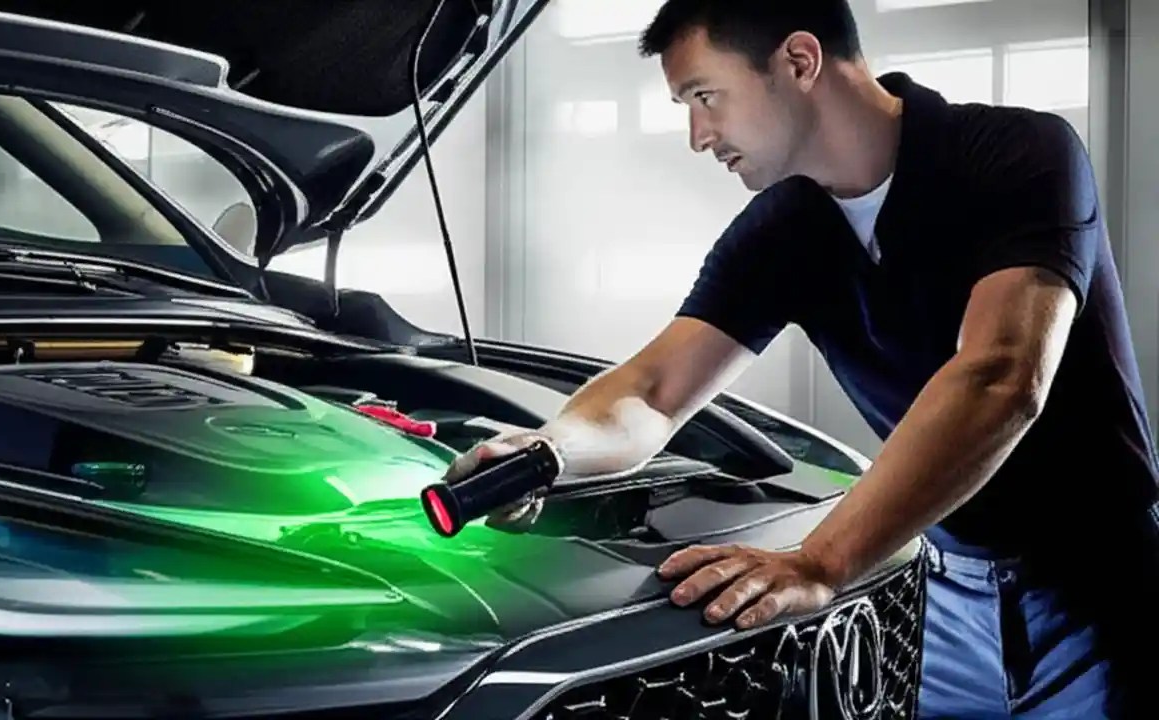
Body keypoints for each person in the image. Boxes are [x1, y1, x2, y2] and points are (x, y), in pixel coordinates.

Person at [440, 0, 1159, 717]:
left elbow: (1001, 376)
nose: (697, 135)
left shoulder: (1019, 154)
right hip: (938, 601)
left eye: (704, 96)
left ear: (799, 61)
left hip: (1103, 594)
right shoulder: (784, 229)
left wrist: (822, 561)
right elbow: (655, 390)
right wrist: (550, 448)